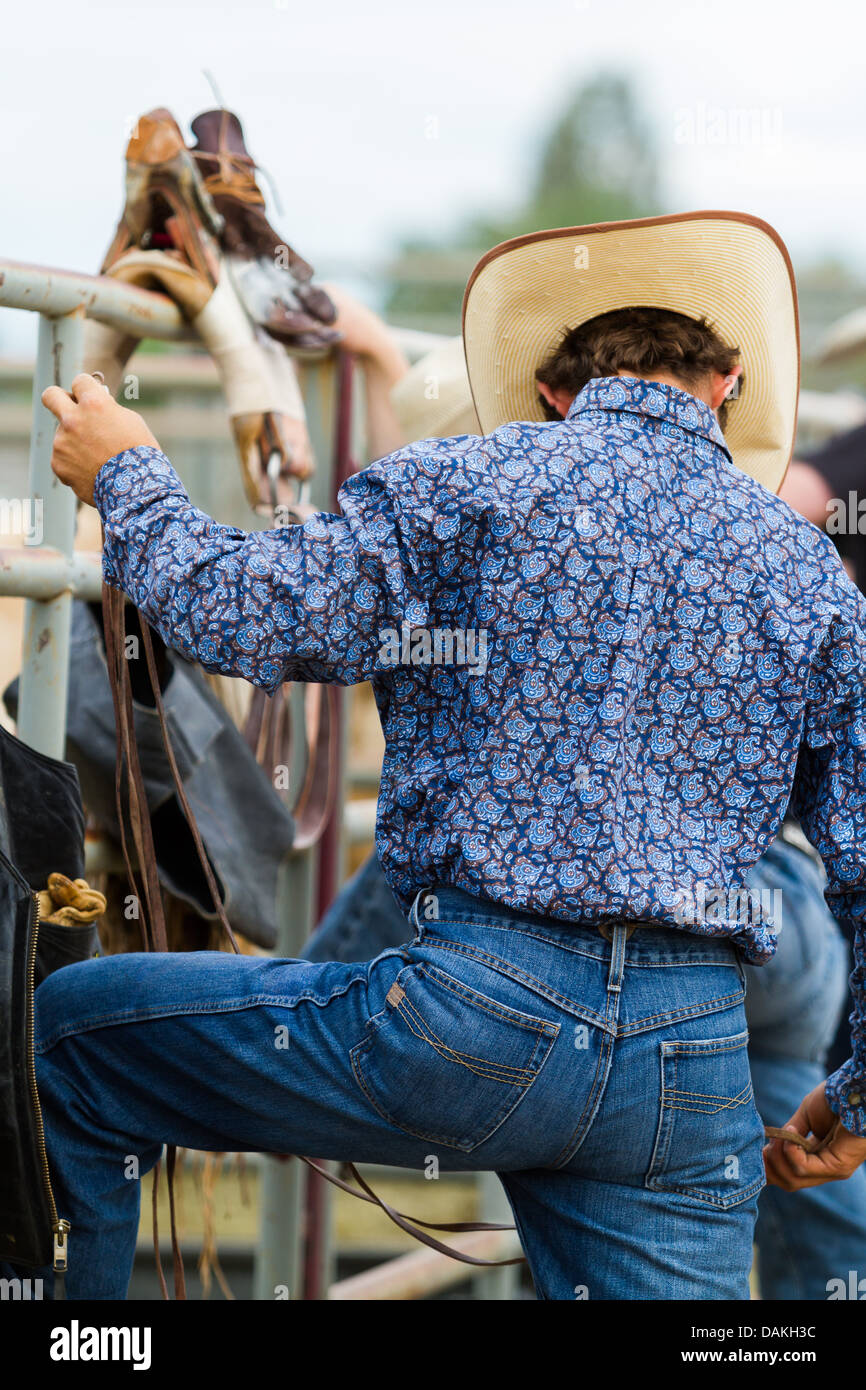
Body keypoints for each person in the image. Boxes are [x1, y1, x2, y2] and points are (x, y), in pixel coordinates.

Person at [27, 211, 866, 1300]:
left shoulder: (460, 485)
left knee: (69, 1042)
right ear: (728, 379)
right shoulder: (806, 573)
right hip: (690, 1066)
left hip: (474, 1021)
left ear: (550, 386)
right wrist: (852, 1097)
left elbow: (249, 614)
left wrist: (127, 473)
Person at [305, 306, 866, 1300]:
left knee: (414, 958)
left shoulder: (513, 523)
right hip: (767, 921)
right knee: (783, 1172)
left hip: (627, 941)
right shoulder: (782, 538)